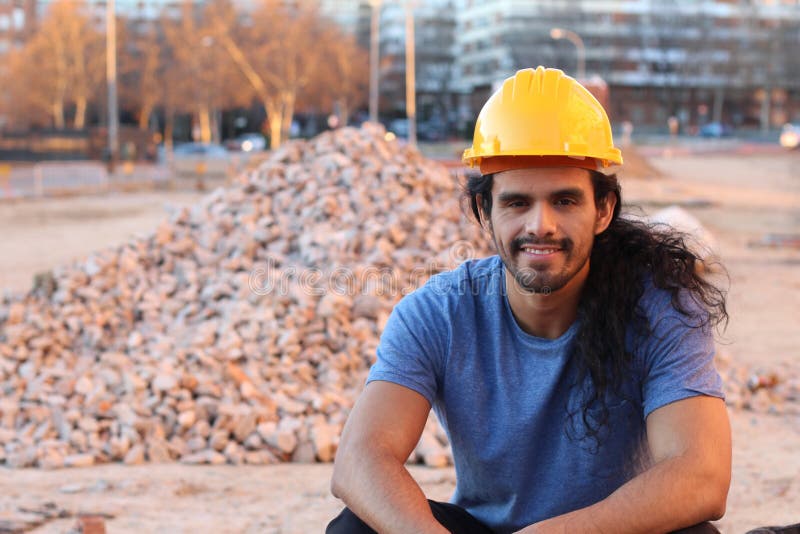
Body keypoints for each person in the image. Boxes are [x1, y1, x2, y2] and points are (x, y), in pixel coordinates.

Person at [328, 67, 731, 533]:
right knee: (355, 528)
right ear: (485, 211)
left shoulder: (661, 309)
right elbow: (359, 460)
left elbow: (701, 475)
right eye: (518, 202)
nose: (541, 224)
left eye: (564, 201)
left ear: (603, 210)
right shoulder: (437, 313)